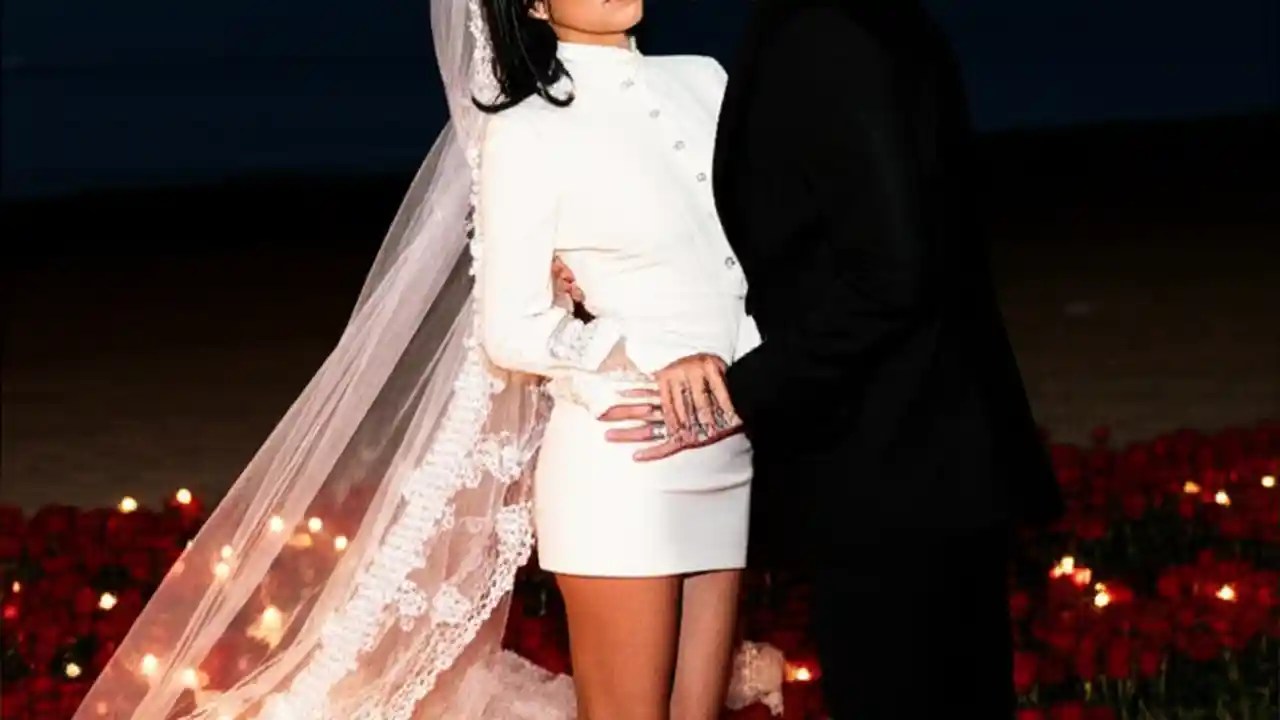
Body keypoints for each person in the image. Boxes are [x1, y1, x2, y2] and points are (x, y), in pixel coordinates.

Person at [74, 1, 767, 719]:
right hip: (626, 463)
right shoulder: (525, 129)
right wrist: (649, 355)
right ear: (531, 4)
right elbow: (512, 328)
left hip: (727, 446)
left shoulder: (705, 81)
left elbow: (756, 253)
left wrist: (750, 367)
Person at [591, 1, 1065, 717]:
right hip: (928, 456)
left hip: (892, 468)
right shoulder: (854, 17)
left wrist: (737, 395)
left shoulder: (823, 28)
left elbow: (892, 273)